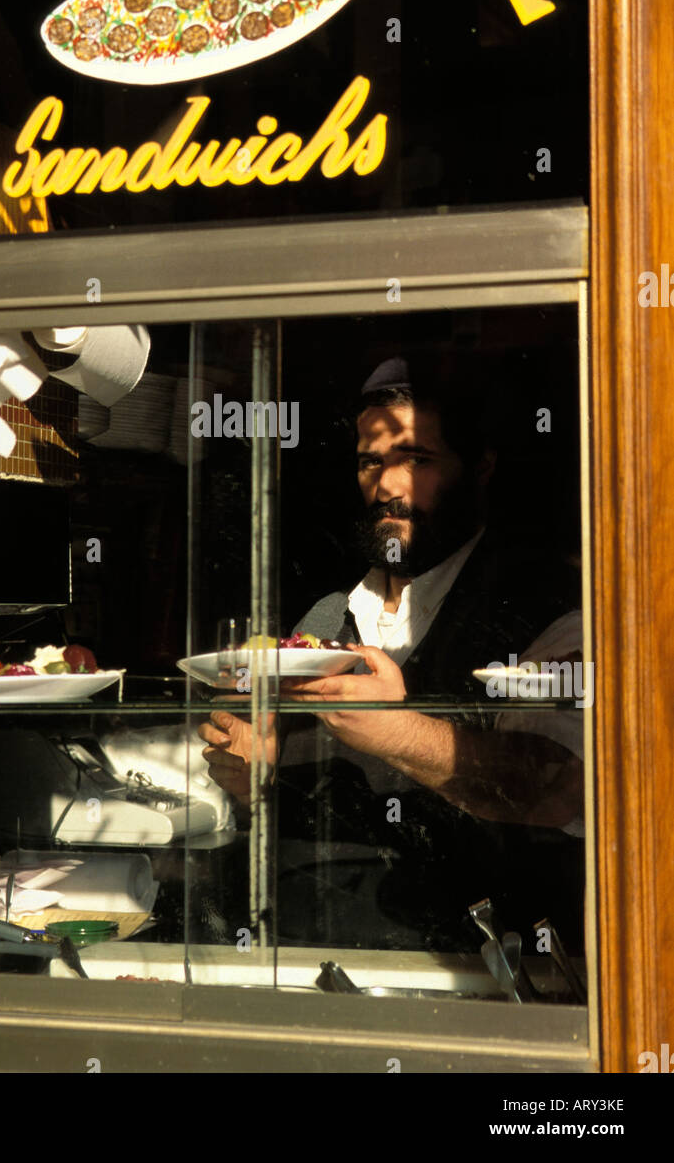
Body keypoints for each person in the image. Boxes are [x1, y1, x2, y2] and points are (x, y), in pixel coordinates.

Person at [198, 355, 586, 951]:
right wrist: (255, 775)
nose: (387, 487)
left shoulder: (544, 606)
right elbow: (283, 788)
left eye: (418, 460)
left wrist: (396, 733)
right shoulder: (324, 618)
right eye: (371, 462)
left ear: (480, 466)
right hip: (304, 944)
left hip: (476, 957)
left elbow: (561, 786)